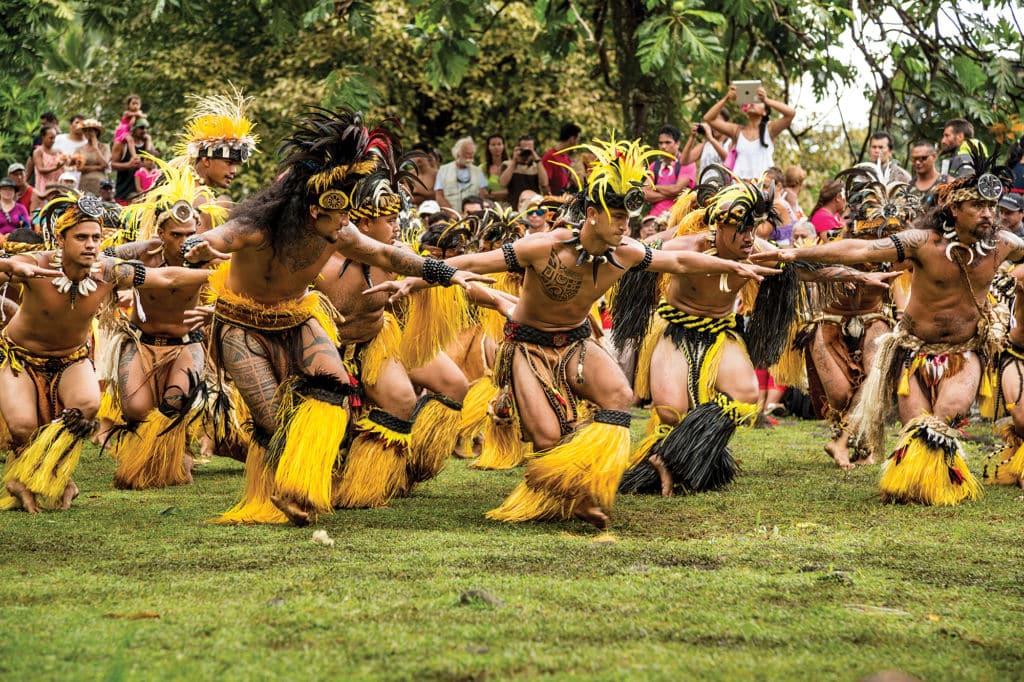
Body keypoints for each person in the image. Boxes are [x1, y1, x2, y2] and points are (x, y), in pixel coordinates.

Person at [371, 138, 777, 529]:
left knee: (619, 397)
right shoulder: (543, 247)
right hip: (527, 345)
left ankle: (590, 483)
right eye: (617, 216)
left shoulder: (626, 252)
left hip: (577, 343)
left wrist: (732, 266)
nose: (625, 225)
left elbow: (681, 263)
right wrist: (416, 280)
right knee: (548, 436)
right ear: (593, 214)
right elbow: (474, 262)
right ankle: (572, 494)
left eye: (628, 217)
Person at [180, 108, 489, 527]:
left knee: (334, 390)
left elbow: (388, 255)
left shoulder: (340, 232)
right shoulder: (258, 228)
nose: (347, 223)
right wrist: (198, 245)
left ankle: (305, 487)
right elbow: (220, 236)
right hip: (242, 325)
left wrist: (445, 272)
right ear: (313, 210)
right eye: (340, 213)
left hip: (297, 317)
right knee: (274, 420)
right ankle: (284, 491)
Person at [754, 143, 1018, 506]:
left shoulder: (1003, 245)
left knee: (944, 416)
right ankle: (922, 482)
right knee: (914, 429)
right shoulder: (922, 243)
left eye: (991, 206)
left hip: (964, 352)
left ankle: (935, 483)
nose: (988, 213)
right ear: (955, 209)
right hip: (913, 352)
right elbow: (860, 250)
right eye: (977, 205)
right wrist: (794, 252)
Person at [617, 170, 896, 496]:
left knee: (746, 396)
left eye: (752, 228)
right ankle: (666, 463)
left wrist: (854, 276)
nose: (749, 237)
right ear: (719, 227)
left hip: (720, 332)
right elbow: (640, 253)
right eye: (741, 230)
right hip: (676, 330)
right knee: (669, 411)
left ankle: (684, 458)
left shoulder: (756, 249)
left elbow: (805, 270)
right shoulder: (690, 245)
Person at [0, 192, 215, 513]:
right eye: (81, 237)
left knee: (87, 406)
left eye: (96, 238)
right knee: (22, 426)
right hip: (19, 356)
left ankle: (53, 473)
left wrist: (220, 275)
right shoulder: (35, 263)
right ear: (61, 239)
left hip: (71, 358)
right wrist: (8, 266)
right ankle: (31, 477)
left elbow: (167, 276)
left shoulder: (109, 271)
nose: (90, 245)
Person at [101, 158, 222, 489]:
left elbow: (237, 286)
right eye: (176, 234)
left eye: (190, 234)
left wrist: (213, 310)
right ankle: (152, 454)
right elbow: (102, 260)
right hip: (142, 343)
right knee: (135, 409)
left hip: (186, 345)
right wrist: (139, 247)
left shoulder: (207, 260)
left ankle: (175, 450)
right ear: (161, 233)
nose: (184, 241)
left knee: (174, 402)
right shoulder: (146, 256)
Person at [797, 164, 921, 469]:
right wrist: (841, 273)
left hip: (873, 318)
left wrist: (905, 320)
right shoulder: (833, 243)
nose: (884, 241)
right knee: (840, 396)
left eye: (890, 235)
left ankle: (846, 442)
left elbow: (904, 283)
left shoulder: (897, 249)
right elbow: (801, 269)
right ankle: (858, 442)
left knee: (875, 379)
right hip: (829, 320)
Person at [174, 90, 258, 231]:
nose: (234, 171)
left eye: (236, 165)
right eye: (229, 163)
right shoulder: (200, 201)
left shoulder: (189, 189)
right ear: (206, 160)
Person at [703, 85, 796, 180]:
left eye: (757, 101)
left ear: (765, 112)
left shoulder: (770, 130)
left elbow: (791, 114)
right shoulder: (736, 131)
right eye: (750, 101)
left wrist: (766, 100)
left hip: (762, 185)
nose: (752, 103)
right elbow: (708, 118)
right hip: (739, 185)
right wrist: (726, 98)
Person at [643, 125, 697, 218]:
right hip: (655, 216)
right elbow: (645, 194)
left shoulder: (687, 163)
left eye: (668, 142)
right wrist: (671, 195)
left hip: (679, 216)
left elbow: (677, 189)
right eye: (661, 143)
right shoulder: (654, 166)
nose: (663, 146)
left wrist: (655, 187)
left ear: (677, 144)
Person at [435, 137, 488, 213]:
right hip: (451, 215)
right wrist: (452, 214)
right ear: (458, 153)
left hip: (473, 214)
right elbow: (439, 196)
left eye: (472, 153)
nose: (470, 156)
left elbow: (482, 195)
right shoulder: (443, 170)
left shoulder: (478, 171)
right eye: (467, 153)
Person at [499, 134, 549, 210]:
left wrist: (537, 160)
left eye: (530, 148)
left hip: (533, 207)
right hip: (514, 206)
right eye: (523, 148)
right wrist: (514, 160)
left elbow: (544, 184)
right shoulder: (508, 165)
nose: (526, 151)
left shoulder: (537, 166)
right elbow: (503, 183)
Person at [112, 119, 154, 204]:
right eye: (141, 128)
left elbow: (152, 163)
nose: (144, 131)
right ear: (134, 129)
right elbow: (111, 165)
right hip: (124, 191)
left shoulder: (148, 144)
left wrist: (148, 142)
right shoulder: (122, 144)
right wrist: (128, 165)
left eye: (146, 128)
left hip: (144, 193)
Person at [542, 123, 581, 195]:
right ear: (572, 139)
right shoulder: (550, 157)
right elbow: (544, 184)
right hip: (554, 199)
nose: (577, 143)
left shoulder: (567, 158)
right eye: (577, 140)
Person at [31, 126, 66, 205]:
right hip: (44, 186)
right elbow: (40, 169)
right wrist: (55, 168)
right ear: (43, 137)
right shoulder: (38, 152)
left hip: (58, 185)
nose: (53, 140)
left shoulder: (58, 151)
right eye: (50, 138)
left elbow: (65, 164)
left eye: (54, 138)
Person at [77, 119, 111, 195]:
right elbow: (79, 168)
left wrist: (95, 148)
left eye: (90, 130)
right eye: (85, 131)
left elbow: (105, 165)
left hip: (100, 183)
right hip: (84, 183)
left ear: (96, 132)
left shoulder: (105, 147)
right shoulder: (79, 149)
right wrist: (98, 167)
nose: (87, 133)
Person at [908, 140, 944, 206]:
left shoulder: (947, 183)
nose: (917, 162)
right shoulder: (907, 187)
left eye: (923, 158)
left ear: (934, 156)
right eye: (914, 159)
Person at [481, 134, 508, 204]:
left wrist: (490, 193)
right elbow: (482, 193)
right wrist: (503, 193)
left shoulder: (510, 166)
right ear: (488, 147)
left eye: (499, 144)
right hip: (489, 205)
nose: (496, 147)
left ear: (503, 146)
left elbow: (512, 191)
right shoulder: (482, 168)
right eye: (493, 145)